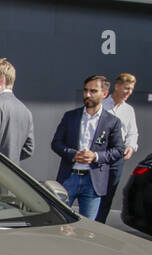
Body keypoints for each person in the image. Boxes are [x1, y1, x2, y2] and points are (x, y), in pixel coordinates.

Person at [50, 75, 124, 220]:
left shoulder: (112, 121)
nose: (87, 95)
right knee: (57, 219)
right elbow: (56, 143)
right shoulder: (70, 116)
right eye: (85, 90)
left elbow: (118, 150)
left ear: (104, 94)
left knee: (88, 228)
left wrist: (95, 156)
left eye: (93, 91)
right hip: (68, 177)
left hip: (93, 181)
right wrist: (73, 154)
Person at [97, 72, 138, 223]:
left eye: (132, 89)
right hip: (100, 154)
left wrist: (131, 147)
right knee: (94, 192)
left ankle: (99, 225)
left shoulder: (129, 110)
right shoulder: (101, 105)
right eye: (127, 88)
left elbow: (133, 133)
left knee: (108, 195)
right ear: (117, 86)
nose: (129, 92)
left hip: (117, 157)